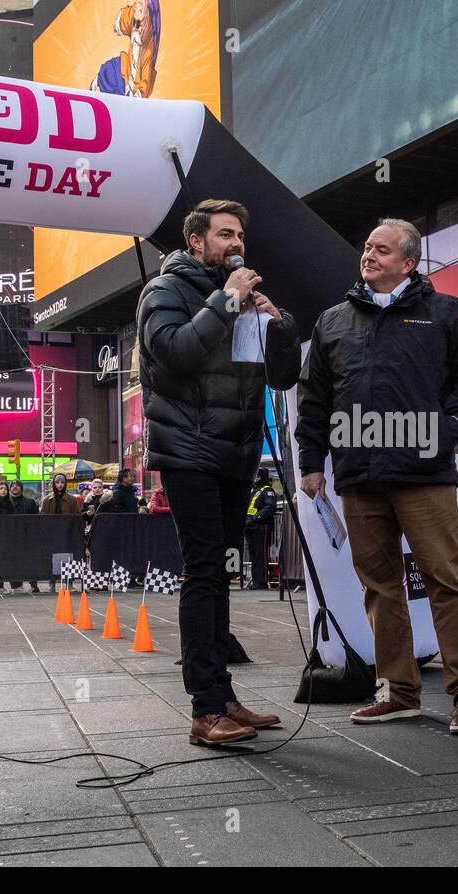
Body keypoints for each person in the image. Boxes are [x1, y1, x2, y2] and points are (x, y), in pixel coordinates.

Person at [297, 217, 458, 735]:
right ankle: (400, 692)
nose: (369, 256)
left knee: (446, 582)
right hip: (359, 477)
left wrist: (447, 432)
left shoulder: (443, 313)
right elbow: (314, 400)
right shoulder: (333, 321)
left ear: (408, 263)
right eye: (367, 247)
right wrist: (310, 464)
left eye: (382, 250)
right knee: (380, 588)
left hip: (424, 474)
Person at [137, 198, 300, 746]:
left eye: (240, 237)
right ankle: (205, 709)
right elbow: (174, 355)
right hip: (189, 451)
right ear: (196, 242)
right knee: (204, 571)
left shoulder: (245, 300)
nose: (236, 244)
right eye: (225, 234)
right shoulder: (164, 292)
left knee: (221, 574)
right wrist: (224, 304)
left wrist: (277, 325)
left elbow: (282, 378)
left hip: (237, 455)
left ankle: (225, 695)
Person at [244, 467, 277, 590]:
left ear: (261, 477)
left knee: (261, 555)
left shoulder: (268, 491)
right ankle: (256, 580)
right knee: (253, 556)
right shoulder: (254, 490)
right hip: (250, 527)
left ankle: (261, 582)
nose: (254, 478)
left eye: (257, 476)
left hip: (261, 527)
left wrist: (256, 518)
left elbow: (270, 507)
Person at [7, 481, 40, 594]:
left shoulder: (30, 502)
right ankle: (16, 585)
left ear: (21, 488)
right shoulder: (5, 503)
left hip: (27, 537)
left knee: (30, 560)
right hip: (11, 537)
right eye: (12, 485)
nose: (15, 487)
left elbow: (37, 519)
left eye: (17, 485)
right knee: (13, 561)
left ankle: (34, 584)